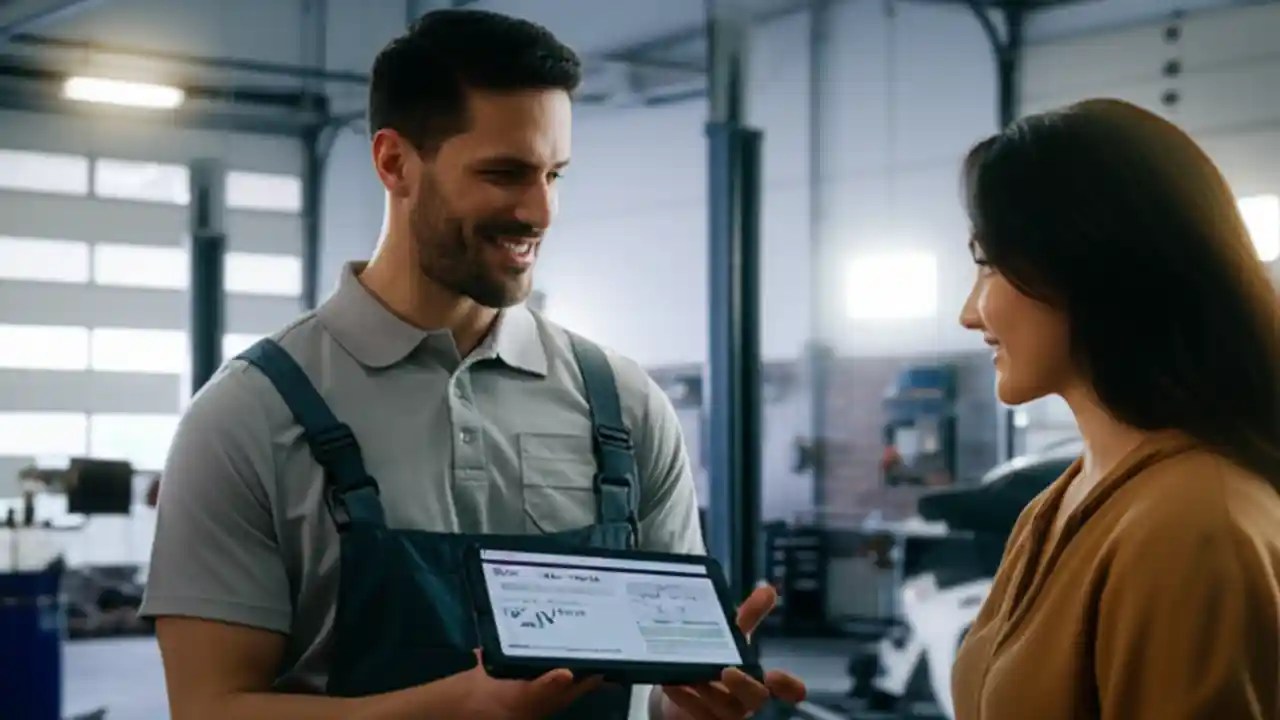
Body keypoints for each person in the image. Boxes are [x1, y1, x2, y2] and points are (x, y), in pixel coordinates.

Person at [139, 9, 805, 720]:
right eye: (504, 173)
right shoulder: (249, 416)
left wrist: (694, 708)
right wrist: (453, 709)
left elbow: (653, 698)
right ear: (394, 162)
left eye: (554, 173)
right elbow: (209, 708)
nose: (540, 210)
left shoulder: (625, 406)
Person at [951, 97, 1280, 719]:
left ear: (1089, 265)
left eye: (987, 265)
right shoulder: (1064, 500)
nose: (969, 314)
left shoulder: (1195, 526)